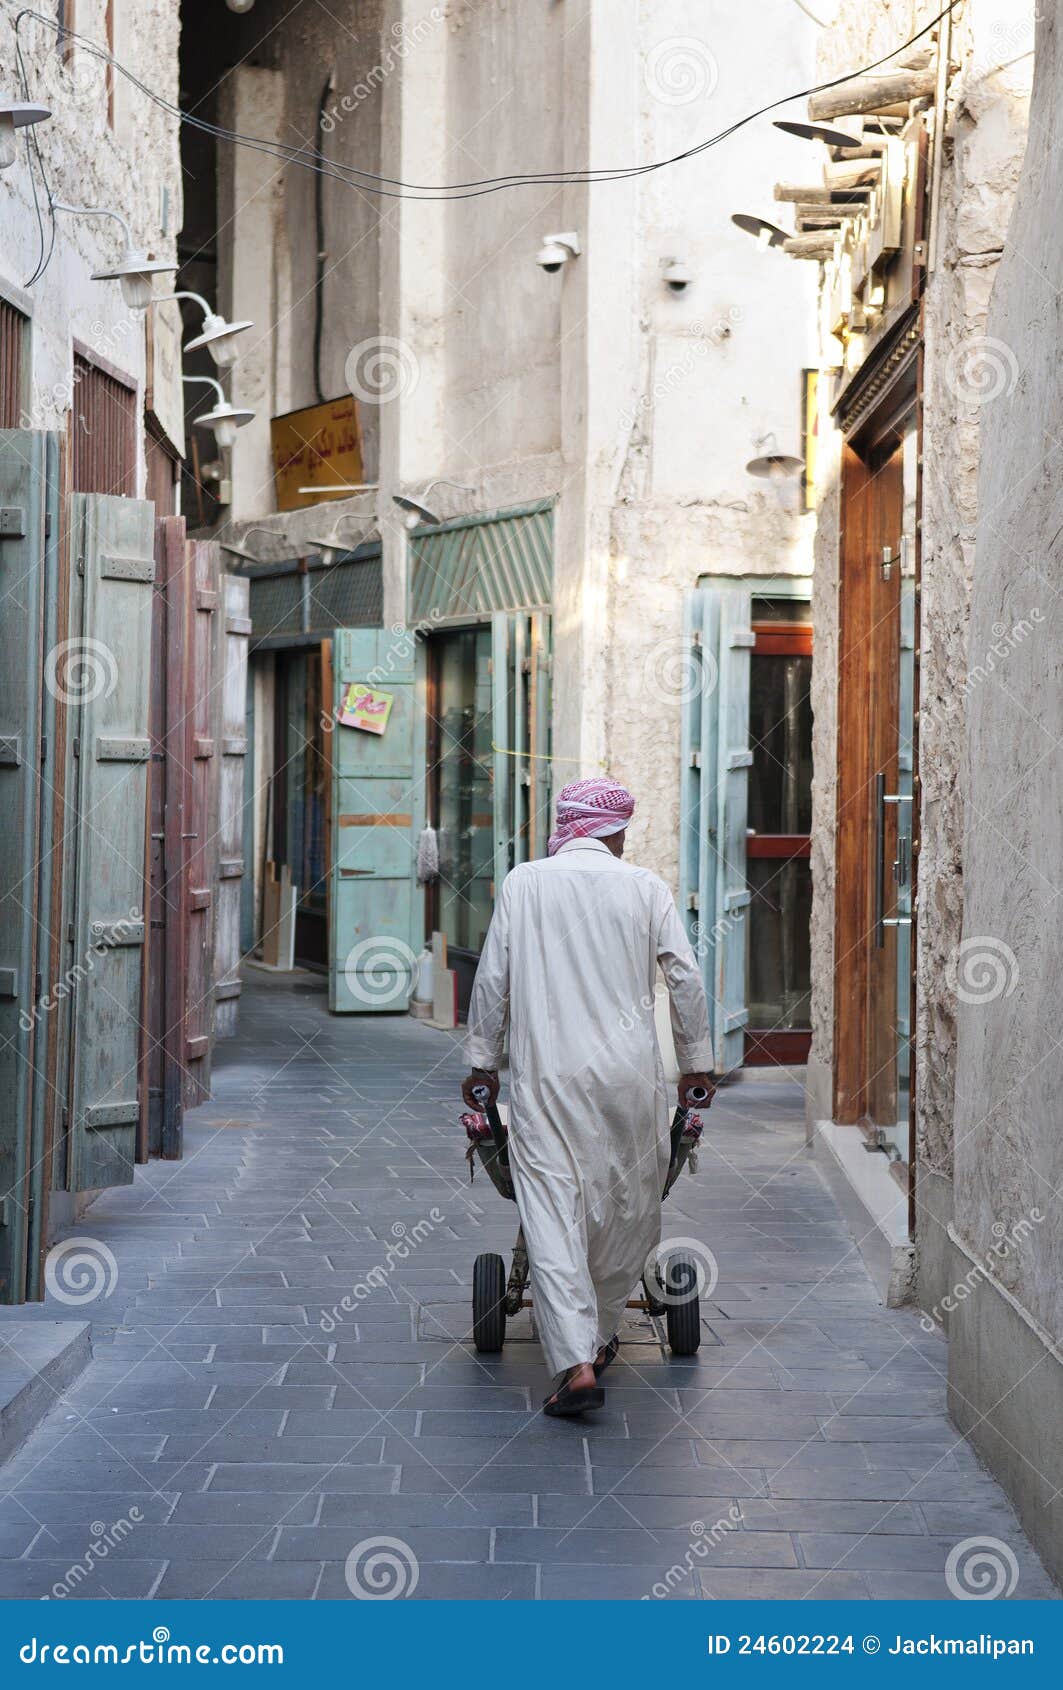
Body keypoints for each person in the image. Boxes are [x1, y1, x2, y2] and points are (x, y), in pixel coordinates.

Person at [462, 776, 715, 1417]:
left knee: (550, 1215)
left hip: (546, 1081)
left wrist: (482, 1062)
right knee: (626, 1209)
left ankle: (575, 1361)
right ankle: (600, 1335)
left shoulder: (525, 883)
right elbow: (684, 979)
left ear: (568, 827)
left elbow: (493, 978)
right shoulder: (647, 888)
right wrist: (697, 1065)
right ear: (616, 832)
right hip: (630, 1080)